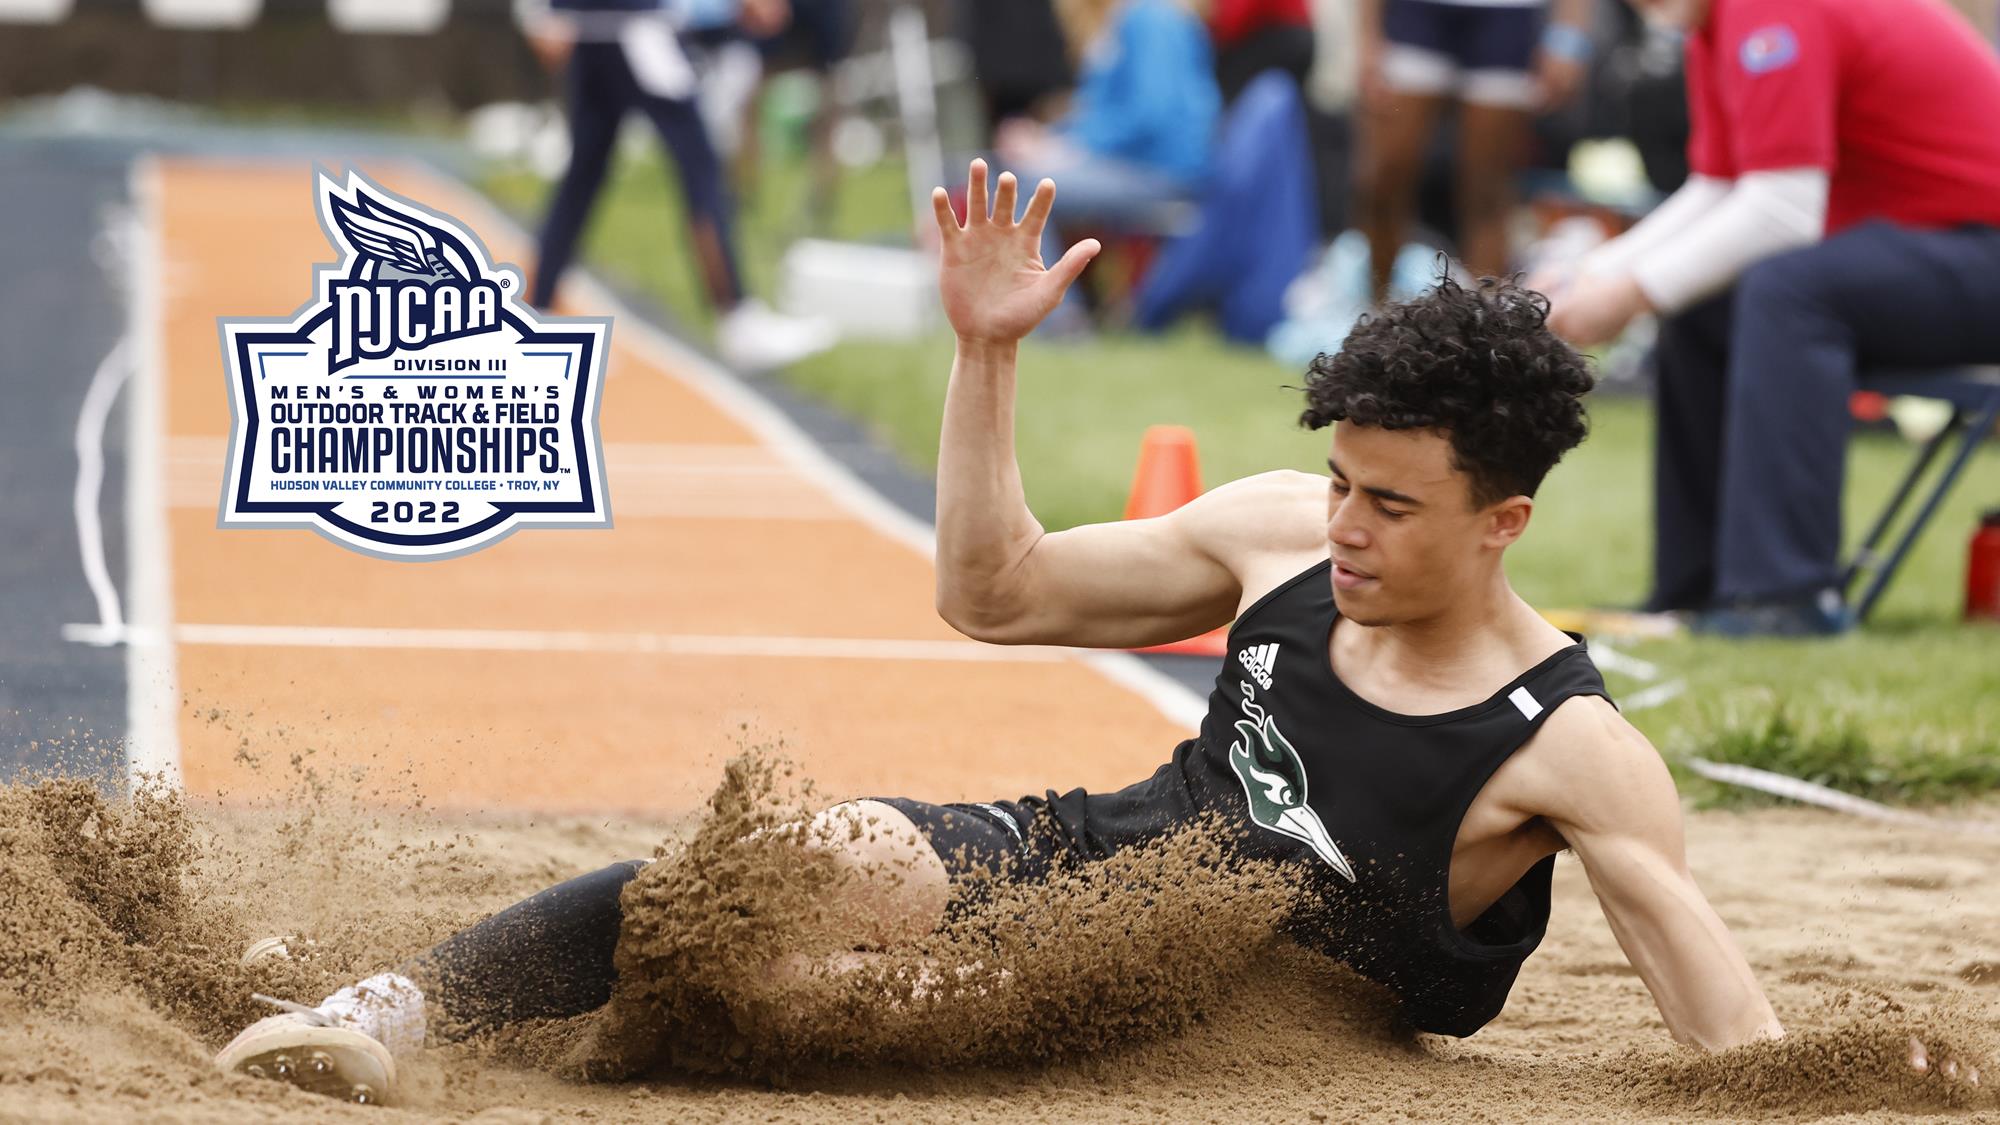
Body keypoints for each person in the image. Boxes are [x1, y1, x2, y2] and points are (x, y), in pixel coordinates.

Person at [213, 160, 1982, 1104]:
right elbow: (996, 596)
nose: (1344, 529)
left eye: (1393, 506)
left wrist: (1863, 1079)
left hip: (1219, 996)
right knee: (774, 866)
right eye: (1341, 483)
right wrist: (987, 359)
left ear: (1504, 521)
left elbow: (1731, 1039)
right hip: (1100, 853)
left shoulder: (1570, 752)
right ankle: (394, 1008)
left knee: (828, 996)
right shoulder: (1285, 537)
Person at [1533, 0, 2000, 635]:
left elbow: (1782, 212)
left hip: (1981, 253)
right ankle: (1698, 591)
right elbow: (1719, 186)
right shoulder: (1714, 24)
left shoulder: (1767, 8)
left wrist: (1629, 293)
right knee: (1707, 301)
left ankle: (1783, 597)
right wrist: (1595, 273)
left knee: (1788, 289)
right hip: (1949, 249)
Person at [524, 0, 836, 372]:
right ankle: (737, 318)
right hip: (636, 32)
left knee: (583, 178)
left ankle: (538, 320)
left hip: (601, 31)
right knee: (700, 169)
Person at [992, 0, 1222, 328]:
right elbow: (1103, 113)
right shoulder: (1129, 18)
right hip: (1137, 167)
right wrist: (1046, 138)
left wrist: (1068, 147)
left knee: (1028, 188)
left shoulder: (1151, 17)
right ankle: (1036, 305)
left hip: (1161, 176)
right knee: (1014, 176)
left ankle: (1058, 323)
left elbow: (1149, 113)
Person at [1355, 0, 1591, 299]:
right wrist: (1366, 35)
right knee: (1384, 179)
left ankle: (1484, 331)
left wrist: (1568, 37)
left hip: (1507, 15)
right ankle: (1375, 319)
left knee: (1488, 192)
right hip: (1414, 13)